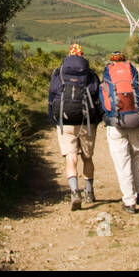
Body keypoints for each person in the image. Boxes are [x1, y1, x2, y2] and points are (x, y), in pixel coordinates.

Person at [99, 51, 139, 214]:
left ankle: (129, 201)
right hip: (136, 121)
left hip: (115, 124)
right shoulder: (135, 80)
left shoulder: (107, 79)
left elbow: (101, 104)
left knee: (122, 162)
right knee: (138, 157)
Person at [47, 43, 100, 210]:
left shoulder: (59, 72)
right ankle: (89, 192)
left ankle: (74, 191)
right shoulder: (90, 74)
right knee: (87, 157)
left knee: (71, 157)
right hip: (86, 122)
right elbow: (97, 97)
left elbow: (52, 96)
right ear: (82, 55)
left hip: (65, 121)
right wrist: (97, 120)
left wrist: (54, 119)